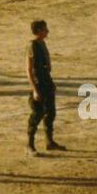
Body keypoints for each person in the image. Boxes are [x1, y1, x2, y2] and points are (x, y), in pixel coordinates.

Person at [26, 20, 64, 155]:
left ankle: (49, 142)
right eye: (44, 29)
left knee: (51, 112)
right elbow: (29, 70)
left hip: (46, 82)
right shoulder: (32, 45)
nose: (47, 31)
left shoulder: (42, 44)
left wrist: (51, 82)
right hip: (38, 84)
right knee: (37, 114)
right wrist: (35, 90)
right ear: (38, 30)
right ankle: (30, 145)